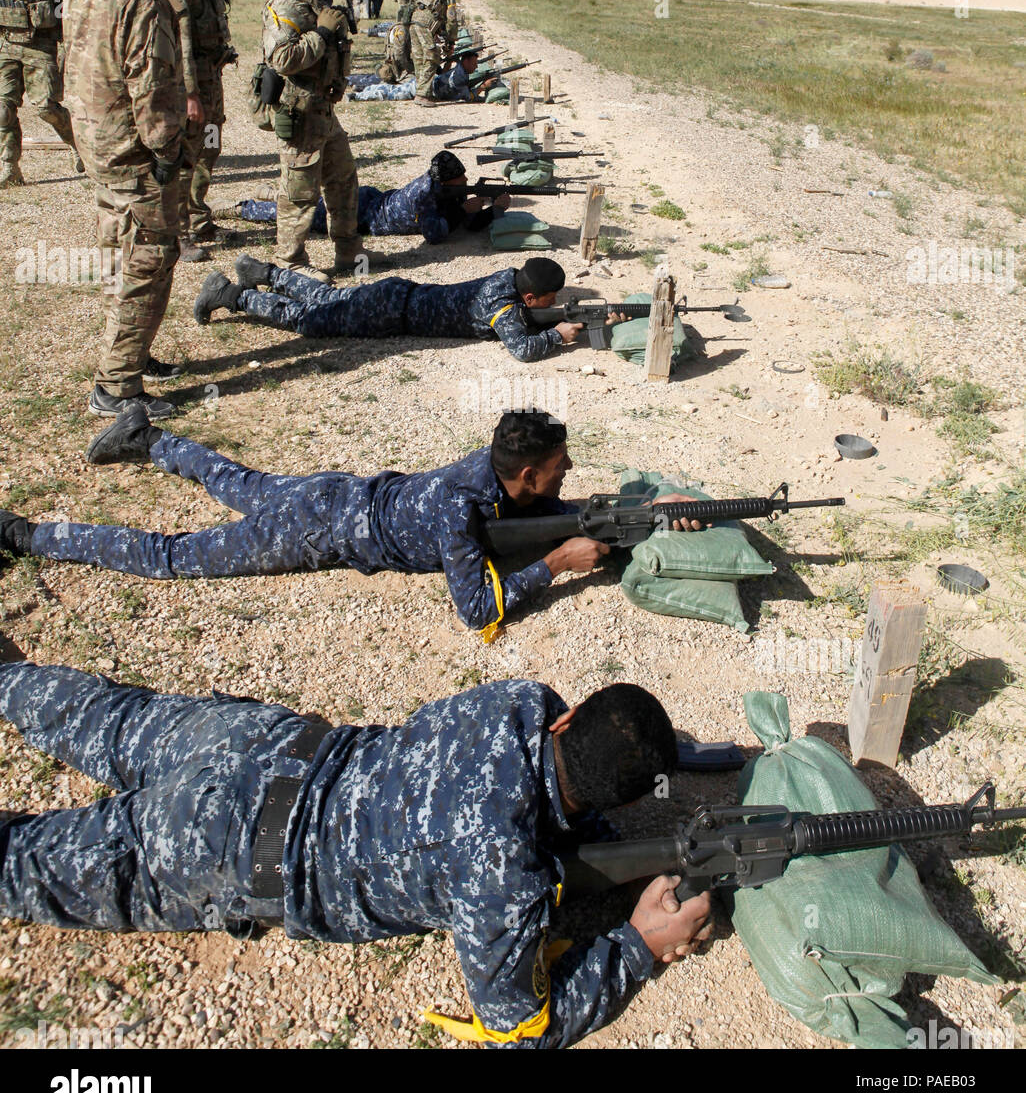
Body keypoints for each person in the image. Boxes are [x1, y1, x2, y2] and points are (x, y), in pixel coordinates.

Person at [0, 666, 713, 1048]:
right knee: (25, 865)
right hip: (225, 844)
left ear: (566, 719)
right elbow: (518, 1031)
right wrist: (639, 945)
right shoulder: (502, 875)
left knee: (107, 715)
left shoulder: (521, 702)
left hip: (262, 740)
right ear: (606, 808)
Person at [0, 410, 703, 636]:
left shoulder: (493, 471)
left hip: (336, 492)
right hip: (314, 531)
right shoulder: (458, 512)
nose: (567, 473)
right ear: (524, 475)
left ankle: (150, 439)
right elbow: (477, 612)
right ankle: (30, 535)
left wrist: (646, 518)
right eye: (559, 467)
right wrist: (554, 566)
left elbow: (552, 513)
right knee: (176, 557)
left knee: (238, 481)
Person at [62, 0, 185, 421]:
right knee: (151, 260)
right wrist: (166, 151)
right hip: (134, 154)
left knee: (120, 253)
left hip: (97, 147)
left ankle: (133, 352)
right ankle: (116, 386)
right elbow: (151, 86)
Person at [194, 254, 596, 363]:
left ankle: (265, 272)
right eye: (551, 298)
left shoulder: (508, 277)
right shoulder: (503, 308)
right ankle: (234, 295)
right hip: (388, 315)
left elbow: (519, 315)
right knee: (310, 320)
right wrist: (556, 336)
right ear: (529, 299)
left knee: (329, 299)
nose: (555, 303)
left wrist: (560, 315)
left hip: (397, 294)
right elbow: (523, 350)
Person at [262, 0, 364, 280]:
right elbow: (282, 59)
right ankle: (290, 261)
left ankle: (349, 252)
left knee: (343, 180)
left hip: (323, 111)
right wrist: (320, 34)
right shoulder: (286, 3)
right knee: (299, 192)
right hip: (301, 114)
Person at [155, 0, 237, 263]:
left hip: (209, 80)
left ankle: (200, 219)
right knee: (187, 157)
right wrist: (190, 95)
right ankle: (179, 234)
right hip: (192, 85)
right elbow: (183, 44)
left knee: (209, 150)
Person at [0, 0, 82, 186]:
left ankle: (78, 143)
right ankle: (10, 168)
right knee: (3, 109)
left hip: (40, 45)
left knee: (46, 108)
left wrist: (65, 41)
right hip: (8, 46)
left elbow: (61, 2)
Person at [356, 150, 509, 244]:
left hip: (379, 197)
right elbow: (433, 235)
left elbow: (468, 223)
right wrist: (463, 210)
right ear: (444, 182)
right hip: (367, 215)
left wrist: (495, 209)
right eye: (459, 177)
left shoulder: (449, 189)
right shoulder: (424, 194)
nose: (465, 180)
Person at [410, 0, 464, 105]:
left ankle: (422, 91)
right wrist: (451, 39)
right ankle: (422, 95)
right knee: (432, 57)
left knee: (419, 59)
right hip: (424, 27)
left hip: (413, 24)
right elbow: (451, 20)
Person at [376, 2, 414, 83]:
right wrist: (408, 68)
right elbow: (399, 53)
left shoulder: (394, 27)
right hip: (398, 67)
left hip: (394, 64)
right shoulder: (402, 30)